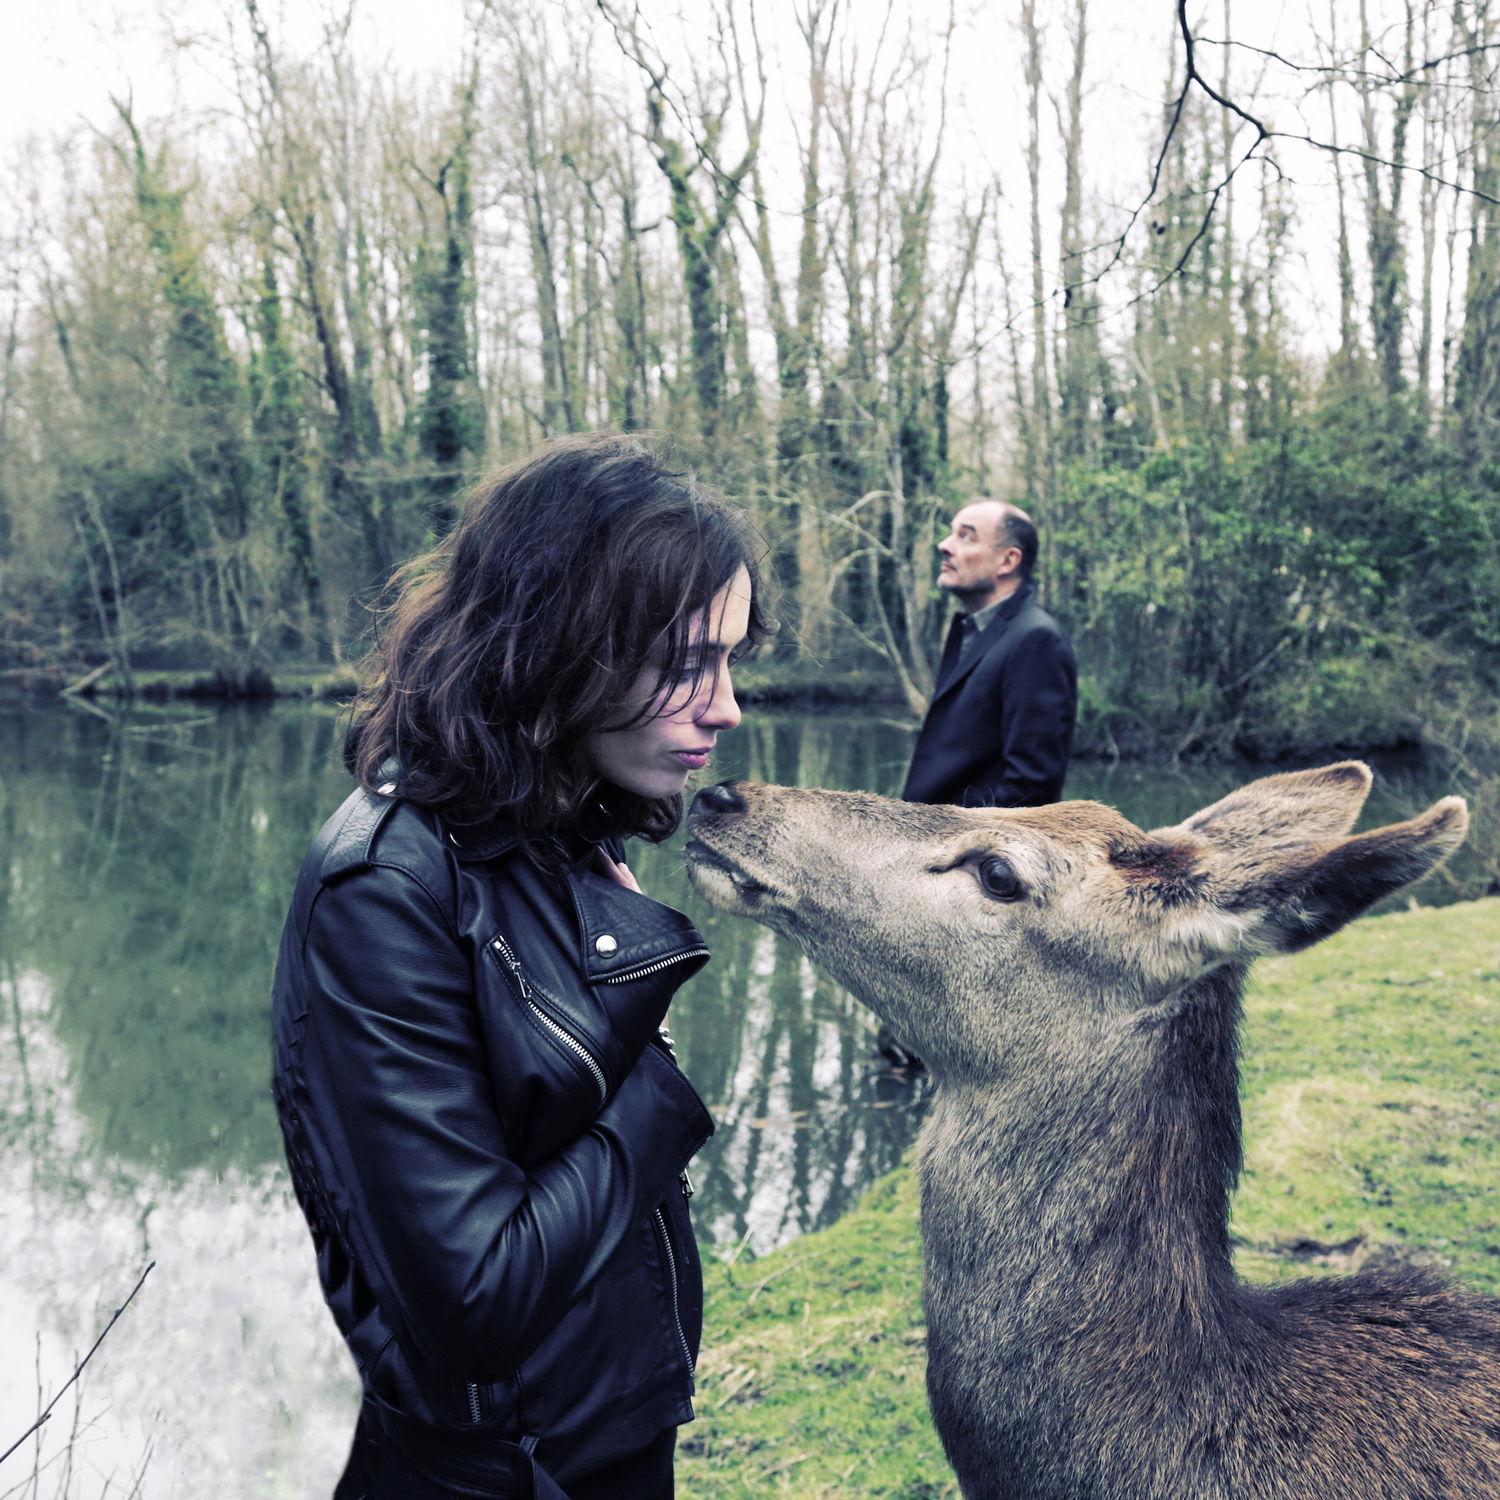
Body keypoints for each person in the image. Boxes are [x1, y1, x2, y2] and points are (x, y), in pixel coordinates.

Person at [272, 432, 769, 1500]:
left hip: (613, 1440)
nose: (725, 706)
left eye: (730, 660)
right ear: (557, 644)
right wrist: (655, 1086)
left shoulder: (558, 827)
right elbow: (478, 1297)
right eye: (687, 662)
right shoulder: (385, 890)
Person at [902, 498, 1075, 809]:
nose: (944, 545)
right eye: (950, 533)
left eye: (966, 536)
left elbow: (1031, 787)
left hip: (971, 852)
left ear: (1007, 561)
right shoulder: (975, 632)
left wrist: (958, 847)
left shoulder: (1036, 639)